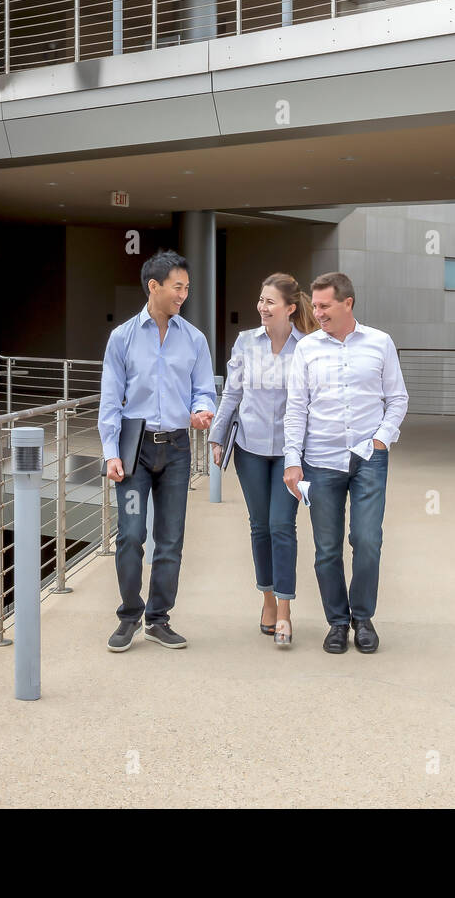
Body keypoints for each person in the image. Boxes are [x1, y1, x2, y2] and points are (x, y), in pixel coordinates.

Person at [283, 272, 408, 655]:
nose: (316, 313)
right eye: (315, 306)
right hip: (320, 461)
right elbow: (295, 409)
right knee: (327, 548)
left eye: (324, 306)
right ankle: (337, 622)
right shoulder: (306, 349)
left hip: (369, 459)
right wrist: (293, 461)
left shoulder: (380, 343)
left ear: (347, 303)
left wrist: (381, 439)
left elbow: (397, 398)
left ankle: (363, 618)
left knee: (367, 540)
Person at [98, 249, 216, 652]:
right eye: (177, 287)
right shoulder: (123, 338)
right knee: (131, 535)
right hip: (135, 453)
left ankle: (159, 619)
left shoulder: (194, 338)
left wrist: (203, 410)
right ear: (155, 286)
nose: (183, 294)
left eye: (187, 287)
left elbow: (204, 389)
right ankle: (129, 615)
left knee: (170, 539)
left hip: (178, 451)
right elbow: (111, 401)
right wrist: (111, 452)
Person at [209, 273, 319, 647]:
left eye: (270, 301)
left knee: (281, 525)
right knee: (259, 526)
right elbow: (232, 393)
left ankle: (286, 612)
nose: (262, 307)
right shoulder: (246, 343)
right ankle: (268, 601)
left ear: (290, 308)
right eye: (260, 300)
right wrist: (217, 436)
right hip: (251, 450)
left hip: (290, 453)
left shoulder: (306, 347)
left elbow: (310, 404)